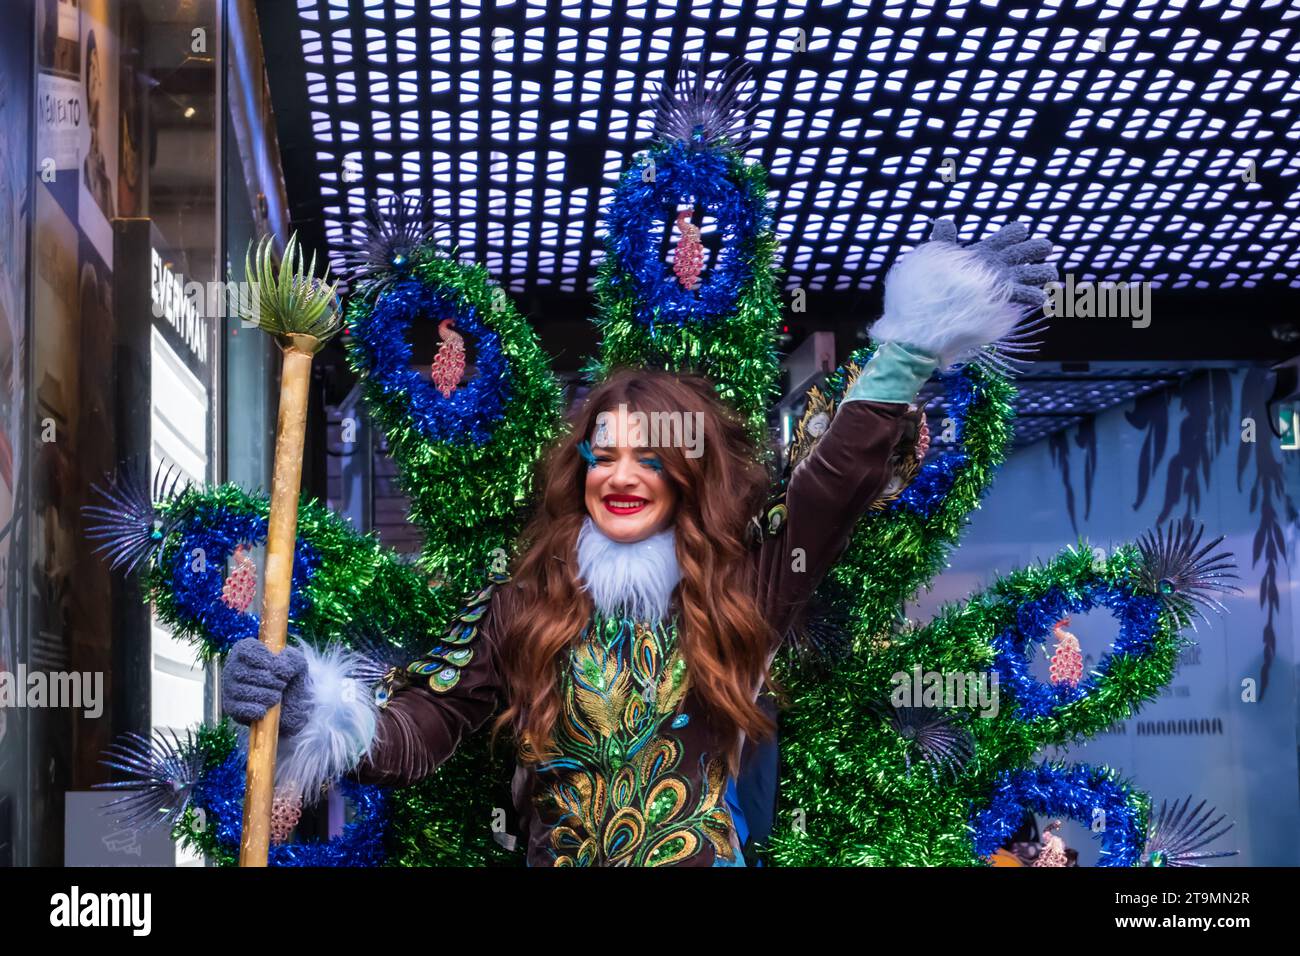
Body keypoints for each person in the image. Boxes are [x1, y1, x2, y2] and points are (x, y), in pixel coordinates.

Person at [222, 223, 1056, 867]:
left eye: (650, 456)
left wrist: (910, 343)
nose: (623, 474)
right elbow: (425, 727)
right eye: (605, 453)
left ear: (688, 477)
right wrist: (311, 708)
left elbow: (829, 491)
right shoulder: (521, 601)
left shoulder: (740, 592)